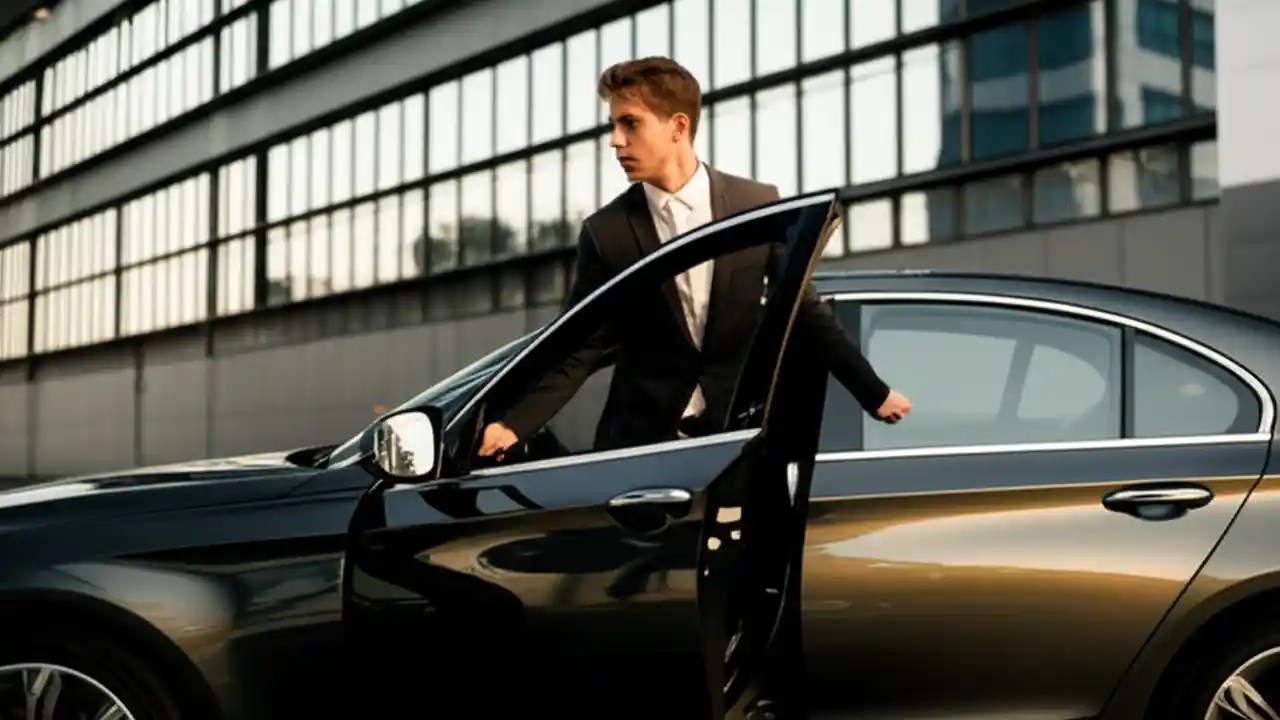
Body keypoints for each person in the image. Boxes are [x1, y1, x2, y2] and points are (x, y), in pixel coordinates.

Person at [478, 56, 910, 459]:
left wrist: (873, 392)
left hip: (736, 438)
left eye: (630, 124)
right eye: (613, 125)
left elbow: (802, 308)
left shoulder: (755, 204)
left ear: (678, 126)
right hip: (639, 448)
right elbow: (580, 347)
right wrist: (515, 425)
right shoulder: (605, 232)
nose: (615, 141)